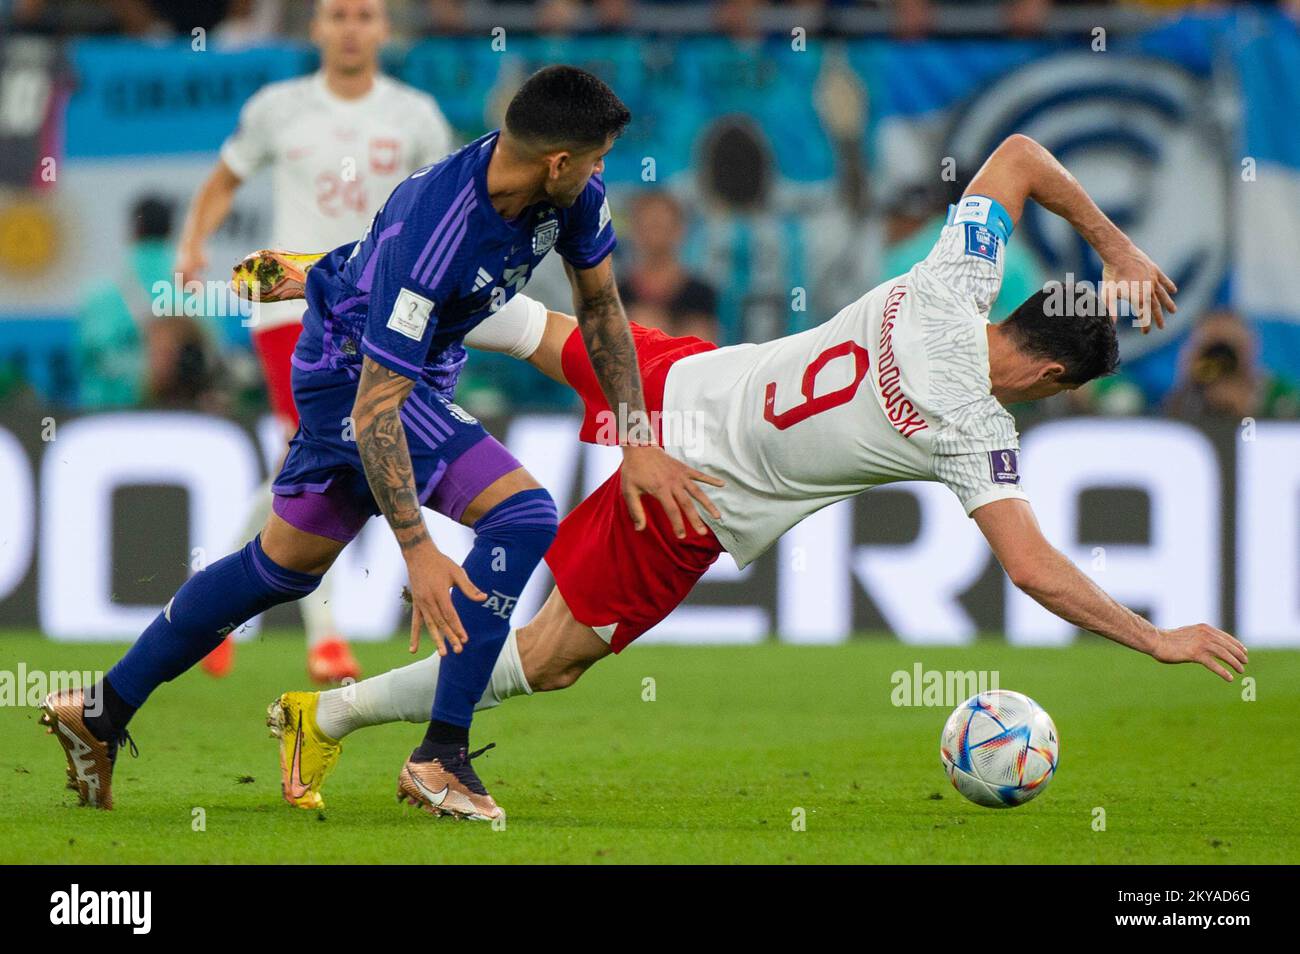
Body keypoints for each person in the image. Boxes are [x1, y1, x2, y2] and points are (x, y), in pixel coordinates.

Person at [260, 134, 1247, 812]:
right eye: (1058, 393)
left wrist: (1112, 248)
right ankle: (333, 714)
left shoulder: (957, 277)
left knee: (542, 328)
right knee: (553, 658)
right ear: (1045, 371)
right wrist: (1153, 637)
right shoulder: (974, 429)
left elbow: (1022, 158)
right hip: (693, 500)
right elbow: (1032, 571)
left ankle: (349, 272)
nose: (1049, 403)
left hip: (695, 377)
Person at [40, 65, 719, 822]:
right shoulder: (438, 228)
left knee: (279, 568)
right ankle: (441, 757)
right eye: (595, 160)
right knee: (523, 515)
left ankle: (100, 710)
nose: (602, 173)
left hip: (394, 356)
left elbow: (600, 308)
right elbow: (375, 411)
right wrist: (420, 550)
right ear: (557, 161)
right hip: (352, 379)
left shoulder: (573, 197)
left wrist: (635, 438)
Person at [174, 0, 456, 683]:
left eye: (365, 15)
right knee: (326, 449)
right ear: (318, 29)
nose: (352, 27)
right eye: (338, 15)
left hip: (384, 308)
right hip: (290, 306)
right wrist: (193, 243)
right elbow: (224, 179)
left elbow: (452, 203)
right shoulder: (279, 107)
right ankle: (323, 636)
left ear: (384, 29)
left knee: (317, 459)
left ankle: (213, 606)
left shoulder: (415, 114)